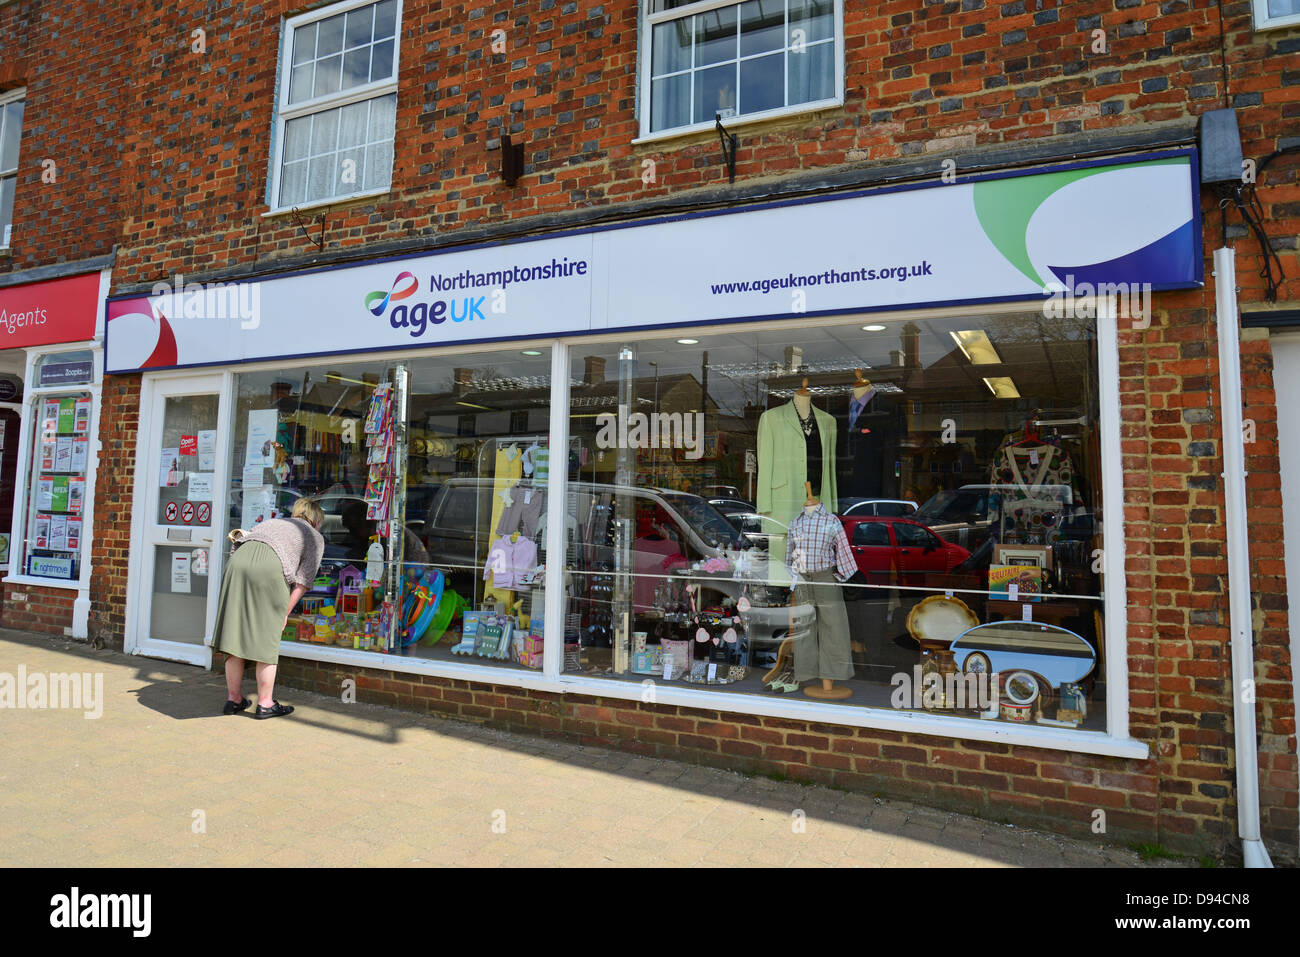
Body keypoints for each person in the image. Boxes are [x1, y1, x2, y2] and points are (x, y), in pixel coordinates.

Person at [214, 497, 325, 719]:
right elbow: (303, 581)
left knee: (235, 635)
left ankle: (233, 699)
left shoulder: (273, 523)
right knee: (267, 639)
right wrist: (284, 612)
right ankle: (265, 703)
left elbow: (242, 541)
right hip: (269, 567)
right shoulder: (313, 536)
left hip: (237, 562)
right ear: (316, 520)